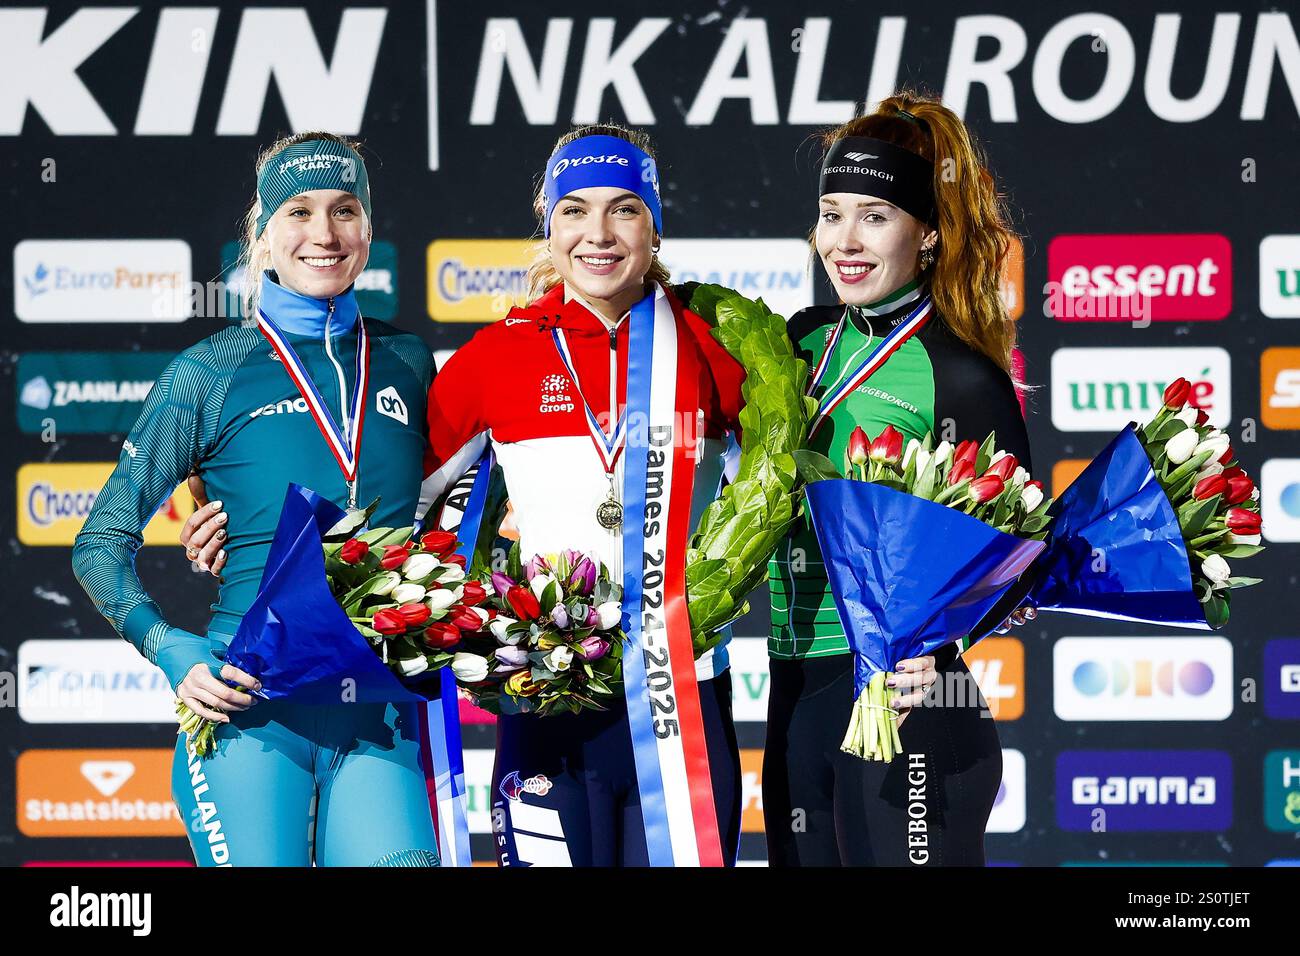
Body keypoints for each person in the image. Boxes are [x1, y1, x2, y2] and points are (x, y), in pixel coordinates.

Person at [185, 123, 746, 867]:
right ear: (548, 221)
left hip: (685, 704)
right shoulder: (498, 358)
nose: (598, 234)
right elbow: (380, 503)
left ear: (655, 222)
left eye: (625, 209)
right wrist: (232, 515)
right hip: (545, 700)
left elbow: (785, 497)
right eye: (574, 210)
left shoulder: (713, 351)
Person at [73, 133, 441, 867]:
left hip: (379, 717)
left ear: (368, 228)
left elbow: (441, 510)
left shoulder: (409, 361)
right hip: (246, 710)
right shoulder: (208, 374)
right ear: (264, 236)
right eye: (298, 212)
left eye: (344, 210)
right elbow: (99, 544)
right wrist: (171, 648)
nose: (324, 234)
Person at [763, 93, 1034, 866]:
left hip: (908, 703)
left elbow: (1021, 551)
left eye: (875, 216)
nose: (844, 240)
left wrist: (952, 629)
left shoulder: (962, 375)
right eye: (832, 212)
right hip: (794, 696)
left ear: (929, 234)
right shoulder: (798, 341)